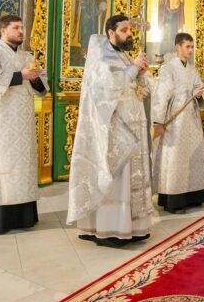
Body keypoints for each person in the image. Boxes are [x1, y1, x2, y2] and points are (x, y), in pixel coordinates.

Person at [66, 15, 154, 247]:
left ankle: (134, 226)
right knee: (116, 178)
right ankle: (111, 227)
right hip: (115, 128)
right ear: (110, 32)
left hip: (134, 122)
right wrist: (134, 69)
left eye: (130, 30)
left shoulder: (124, 56)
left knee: (131, 178)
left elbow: (141, 88)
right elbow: (109, 88)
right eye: (124, 30)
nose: (129, 34)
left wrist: (142, 74)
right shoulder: (101, 58)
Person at [0, 15, 49, 234]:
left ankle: (22, 218)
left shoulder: (27, 56)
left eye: (22, 28)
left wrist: (33, 78)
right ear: (2, 30)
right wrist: (20, 75)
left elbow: (42, 89)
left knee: (21, 169)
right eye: (16, 28)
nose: (21, 31)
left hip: (23, 123)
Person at [152, 33, 204, 214]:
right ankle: (173, 200)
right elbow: (161, 95)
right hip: (175, 119)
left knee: (192, 157)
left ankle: (193, 196)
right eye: (187, 47)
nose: (190, 51)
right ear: (177, 47)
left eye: (192, 47)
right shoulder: (168, 69)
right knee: (175, 158)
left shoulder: (192, 70)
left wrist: (199, 92)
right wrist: (158, 122)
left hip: (191, 118)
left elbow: (200, 86)